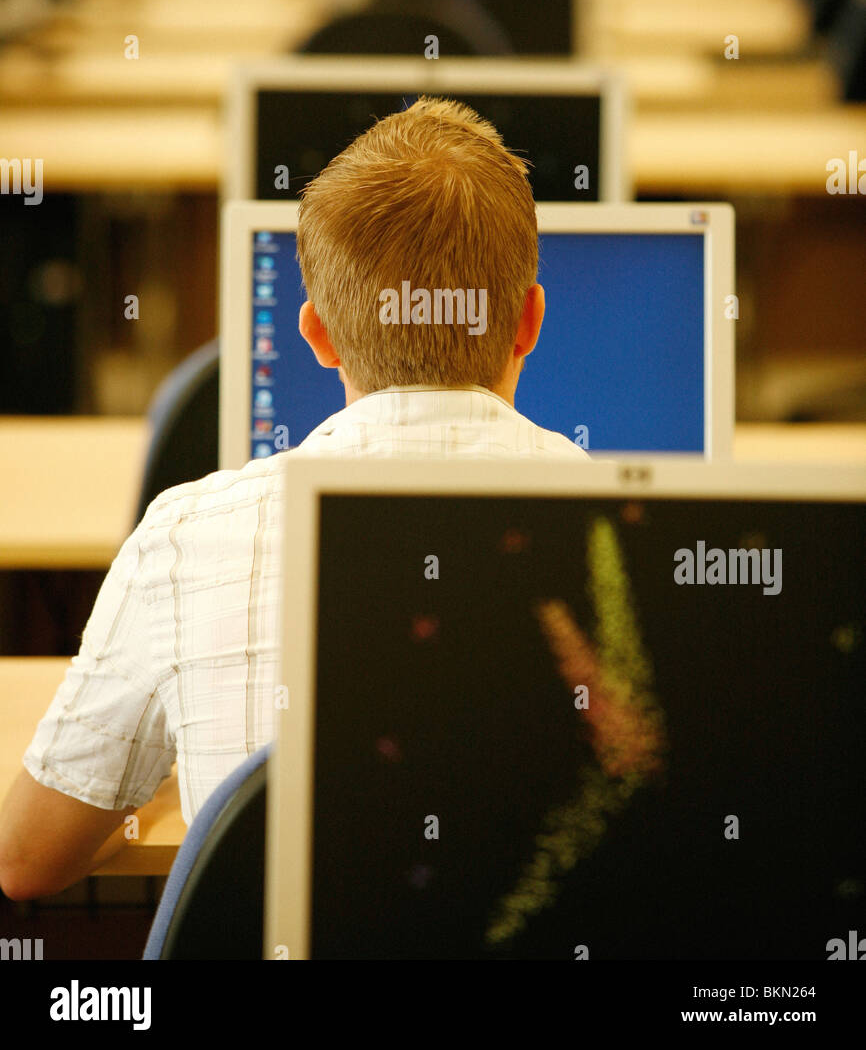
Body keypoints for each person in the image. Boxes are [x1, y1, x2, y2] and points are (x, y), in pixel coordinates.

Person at [0, 96, 589, 901]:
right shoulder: (644, 545)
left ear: (315, 334)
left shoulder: (183, 538)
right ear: (530, 322)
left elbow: (26, 864)